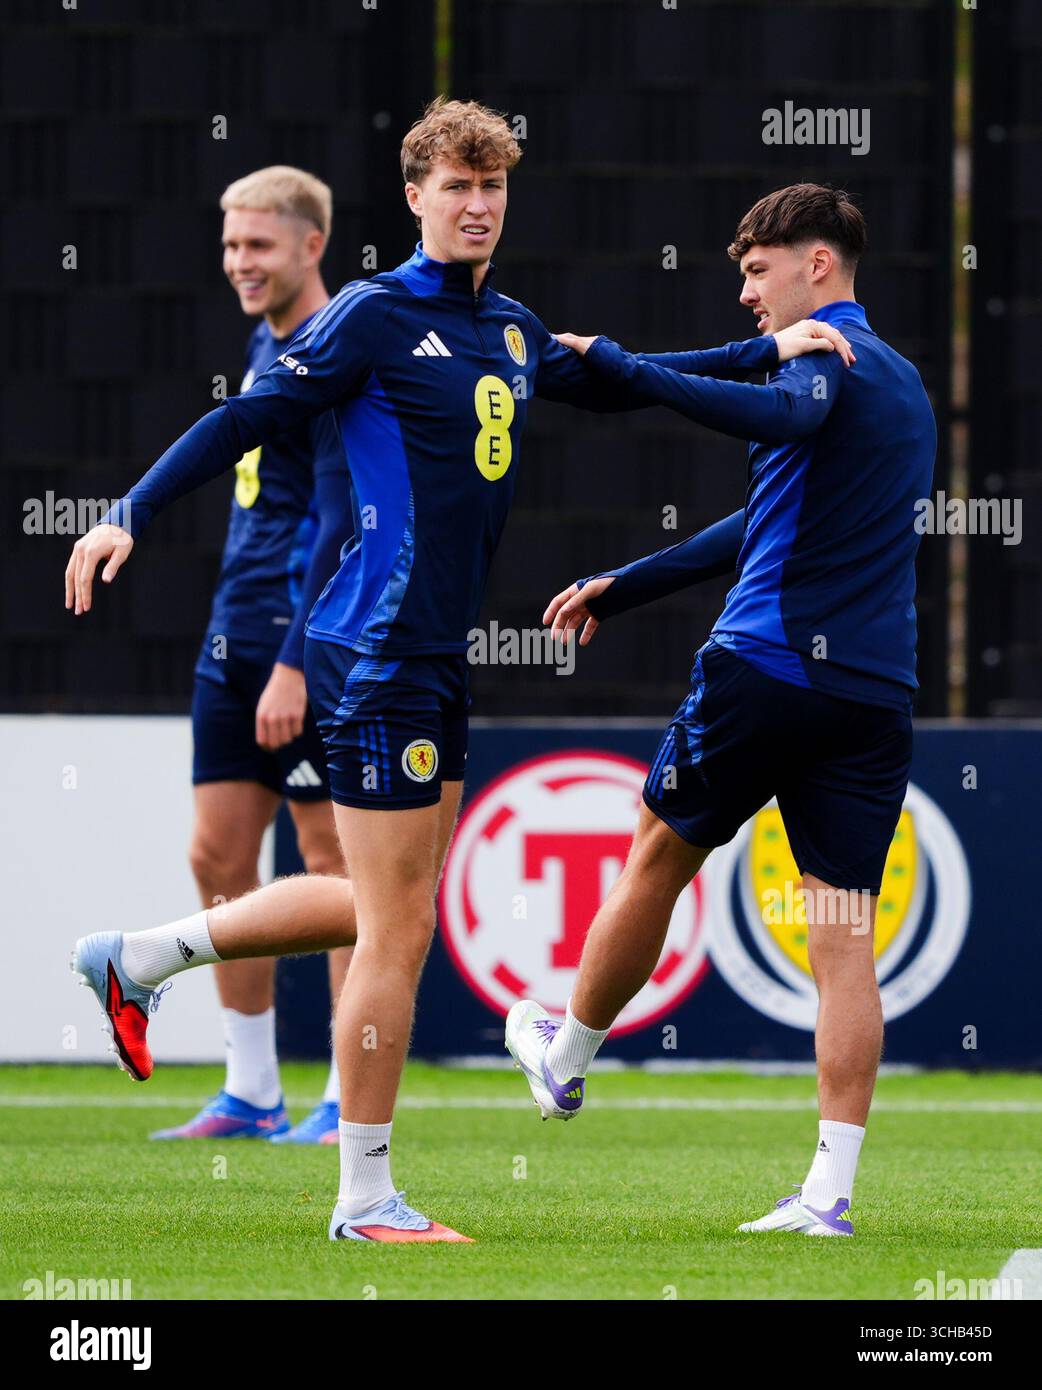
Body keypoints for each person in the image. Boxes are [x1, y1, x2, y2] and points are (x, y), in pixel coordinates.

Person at [68, 104, 848, 1243]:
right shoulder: (372, 321)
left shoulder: (513, 329)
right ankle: (365, 1198)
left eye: (491, 186)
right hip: (373, 650)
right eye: (456, 185)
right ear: (416, 200)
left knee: (393, 910)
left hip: (432, 656)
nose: (477, 203)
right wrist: (128, 510)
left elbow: (623, 375)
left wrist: (765, 349)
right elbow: (245, 420)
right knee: (396, 936)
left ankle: (139, 954)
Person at [506, 183, 936, 1240]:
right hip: (872, 697)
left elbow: (773, 404)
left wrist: (625, 368)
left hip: (766, 672)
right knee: (841, 936)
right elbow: (761, 513)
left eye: (756, 269)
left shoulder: (820, 364)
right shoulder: (902, 381)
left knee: (656, 850)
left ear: (817, 266)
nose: (744, 291)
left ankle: (565, 1059)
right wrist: (631, 578)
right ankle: (827, 1195)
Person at [156, 167, 356, 1145]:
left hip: (301, 645)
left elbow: (337, 516)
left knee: (332, 868)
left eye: (258, 246)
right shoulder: (261, 340)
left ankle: (342, 1099)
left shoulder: (332, 354)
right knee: (217, 855)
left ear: (310, 245)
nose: (240, 263)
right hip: (230, 637)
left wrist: (294, 661)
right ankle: (251, 1088)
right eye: (231, 245)